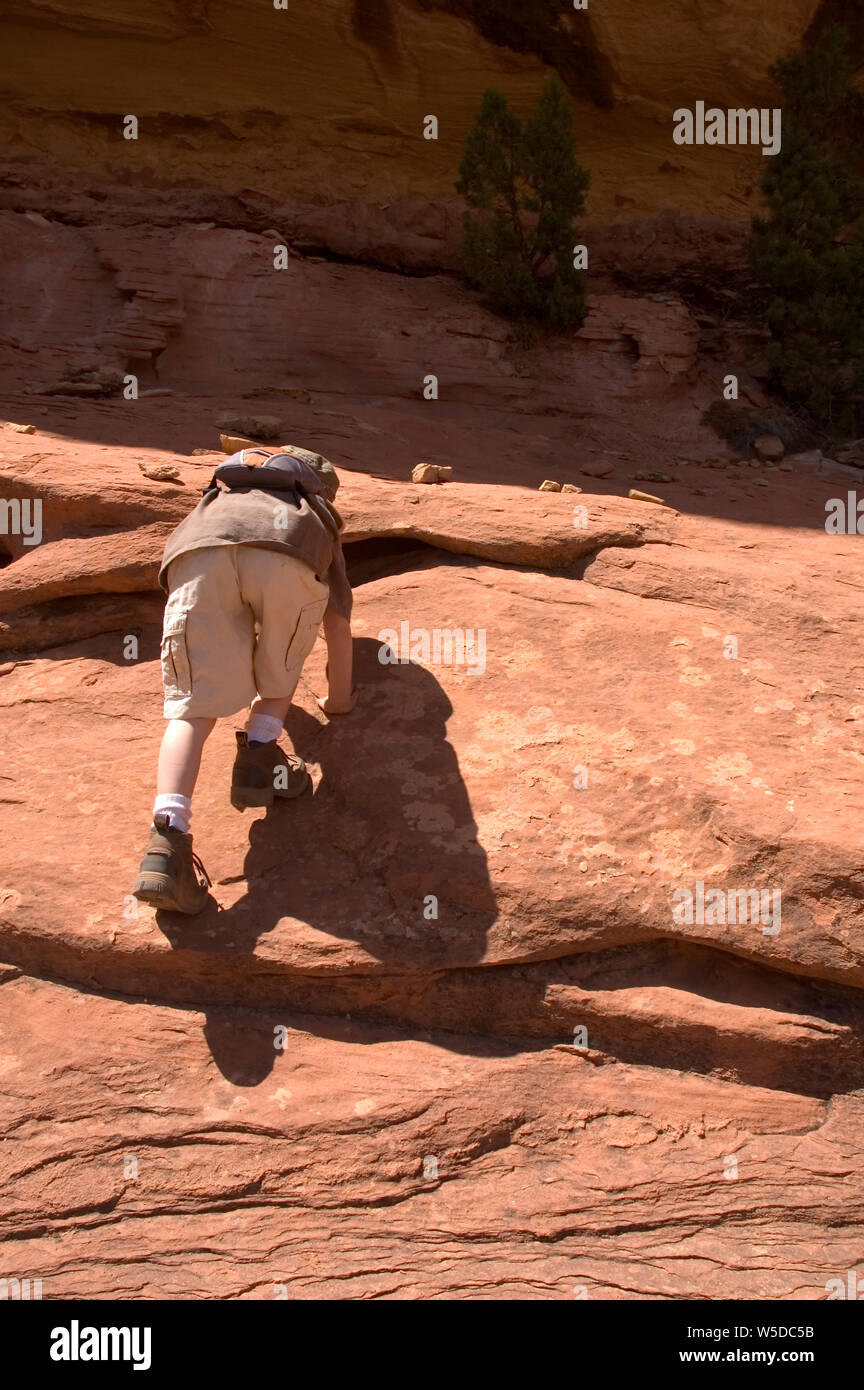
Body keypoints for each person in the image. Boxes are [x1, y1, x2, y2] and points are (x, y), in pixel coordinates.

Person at [132, 443, 355, 915]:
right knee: (282, 662)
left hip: (198, 557)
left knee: (193, 709)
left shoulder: (217, 498)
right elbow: (338, 624)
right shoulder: (313, 515)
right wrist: (338, 703)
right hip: (285, 558)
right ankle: (259, 756)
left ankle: (164, 841)